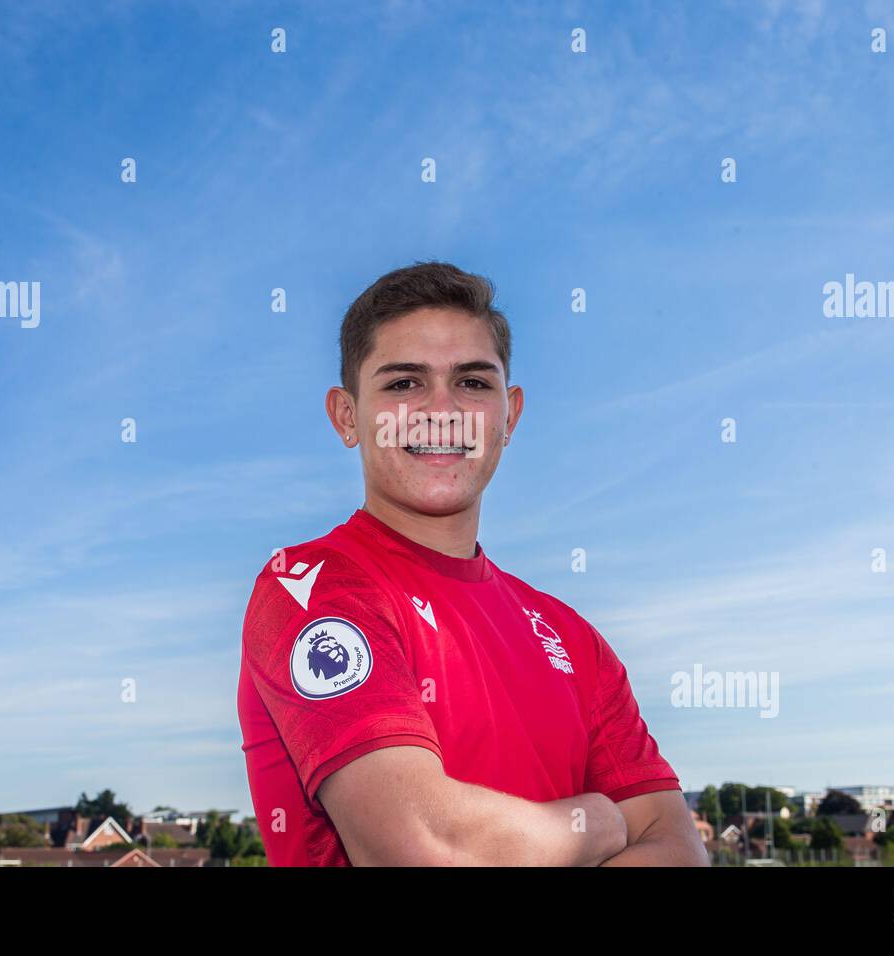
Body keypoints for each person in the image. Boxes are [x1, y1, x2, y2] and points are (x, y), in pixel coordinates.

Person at [237, 261, 708, 866]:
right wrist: (596, 822)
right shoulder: (309, 589)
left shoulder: (573, 638)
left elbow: (677, 850)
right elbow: (420, 848)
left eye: (473, 383)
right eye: (404, 384)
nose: (442, 410)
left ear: (509, 415)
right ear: (347, 416)